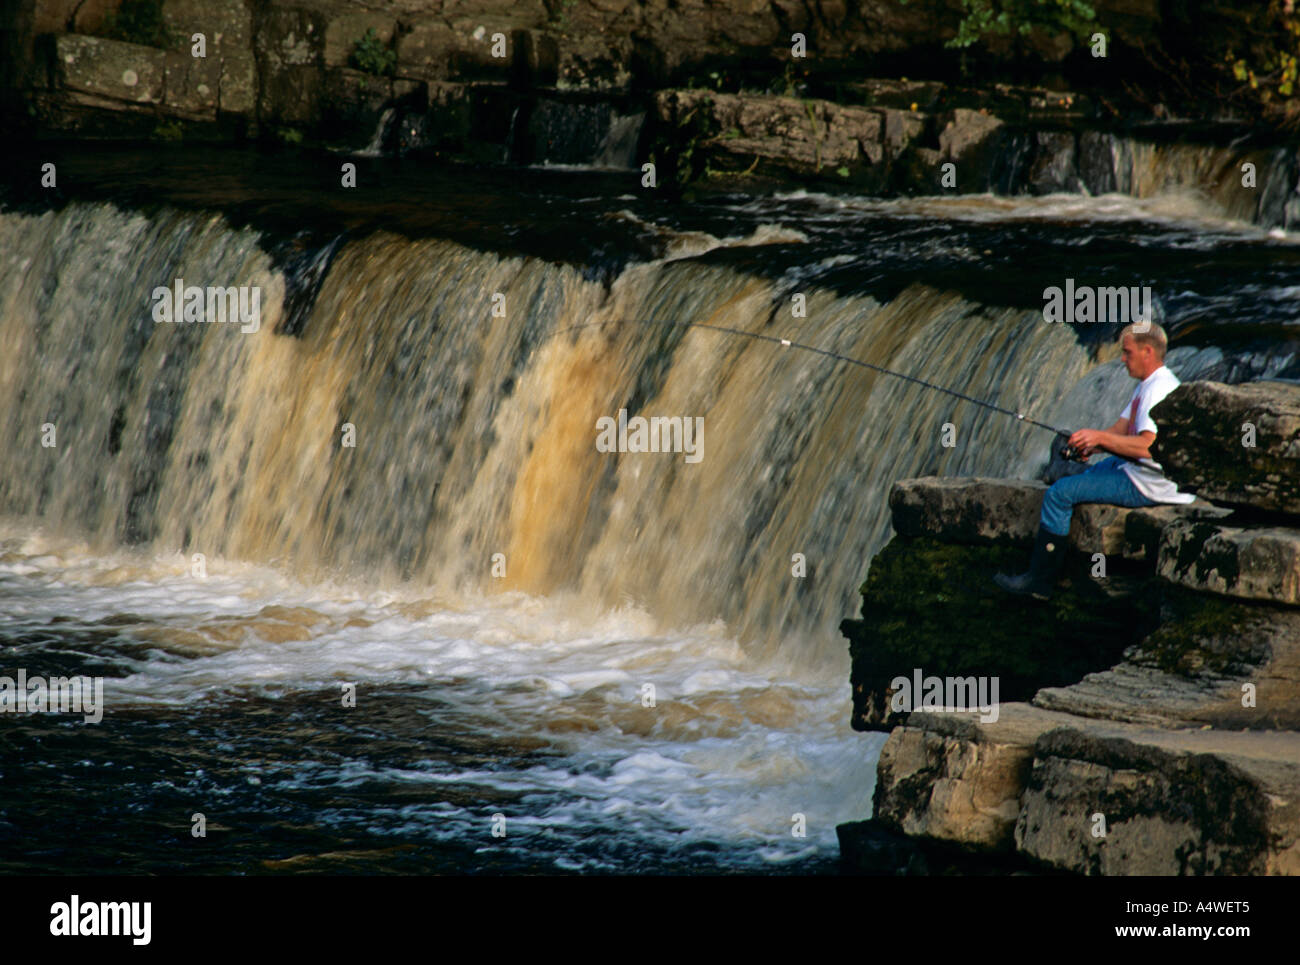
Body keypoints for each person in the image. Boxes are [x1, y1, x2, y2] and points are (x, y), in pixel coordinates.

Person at [995, 321, 1195, 599]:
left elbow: (1150, 447)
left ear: (1147, 351)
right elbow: (1120, 431)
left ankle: (1039, 583)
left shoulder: (1158, 391)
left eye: (1127, 353)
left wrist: (1099, 440)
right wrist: (1091, 443)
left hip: (1149, 485)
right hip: (1139, 471)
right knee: (1086, 474)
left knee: (1058, 494)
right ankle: (1068, 471)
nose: (1123, 360)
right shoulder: (1149, 384)